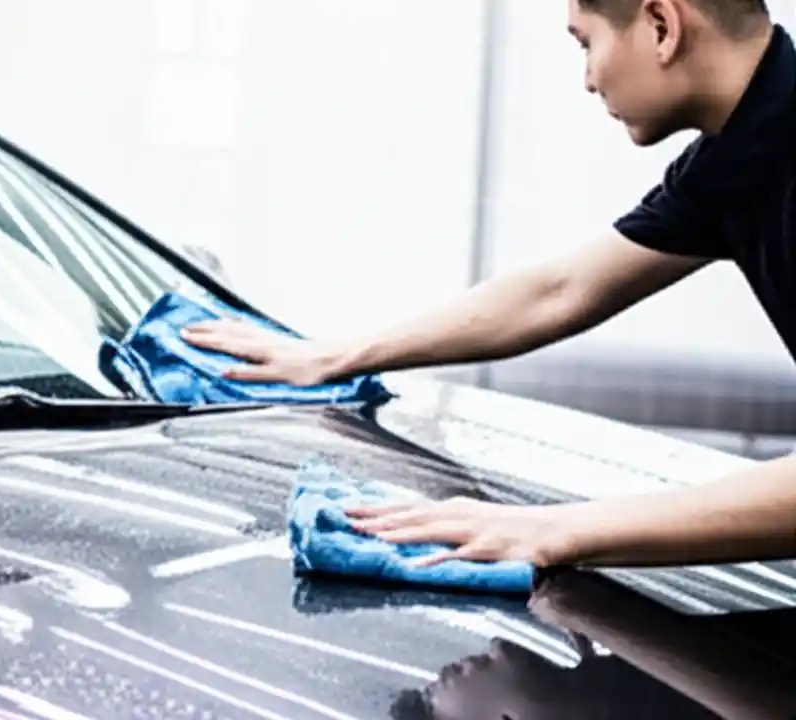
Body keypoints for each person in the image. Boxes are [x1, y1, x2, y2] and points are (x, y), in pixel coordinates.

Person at [181, 0, 796, 570]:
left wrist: (555, 531)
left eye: (586, 44)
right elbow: (561, 290)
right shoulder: (734, 159)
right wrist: (332, 356)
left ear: (662, 25)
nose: (587, 79)